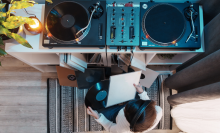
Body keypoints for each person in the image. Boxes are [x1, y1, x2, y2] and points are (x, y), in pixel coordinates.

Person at [87, 83, 163, 133]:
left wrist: (98, 117)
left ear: (126, 115)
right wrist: (142, 93)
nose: (124, 107)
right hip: (134, 110)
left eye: (125, 109)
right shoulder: (158, 111)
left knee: (98, 110)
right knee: (133, 89)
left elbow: (110, 127)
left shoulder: (122, 130)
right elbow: (147, 104)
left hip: (117, 115)